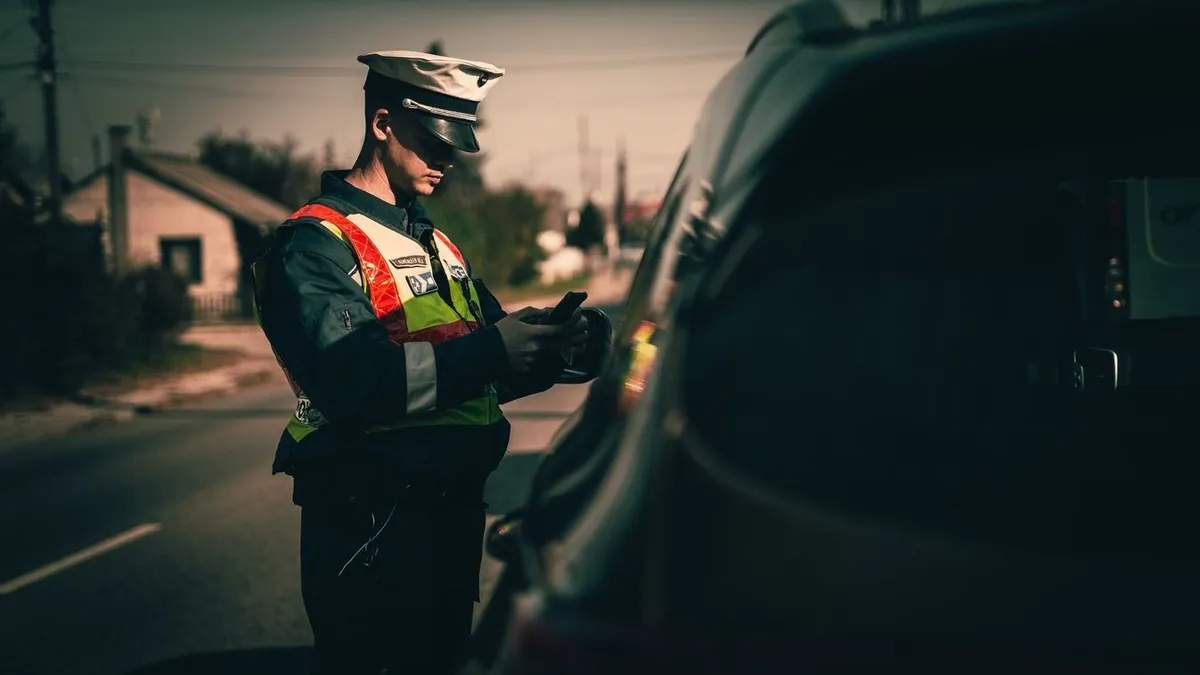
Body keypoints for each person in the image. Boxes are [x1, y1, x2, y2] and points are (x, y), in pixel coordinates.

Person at [251, 50, 595, 674]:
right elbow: (356, 385)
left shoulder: (434, 242)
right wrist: (495, 349)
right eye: (433, 141)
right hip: (370, 526)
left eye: (456, 146)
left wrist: (557, 347)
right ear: (382, 124)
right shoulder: (315, 247)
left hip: (447, 519)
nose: (446, 160)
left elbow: (476, 370)